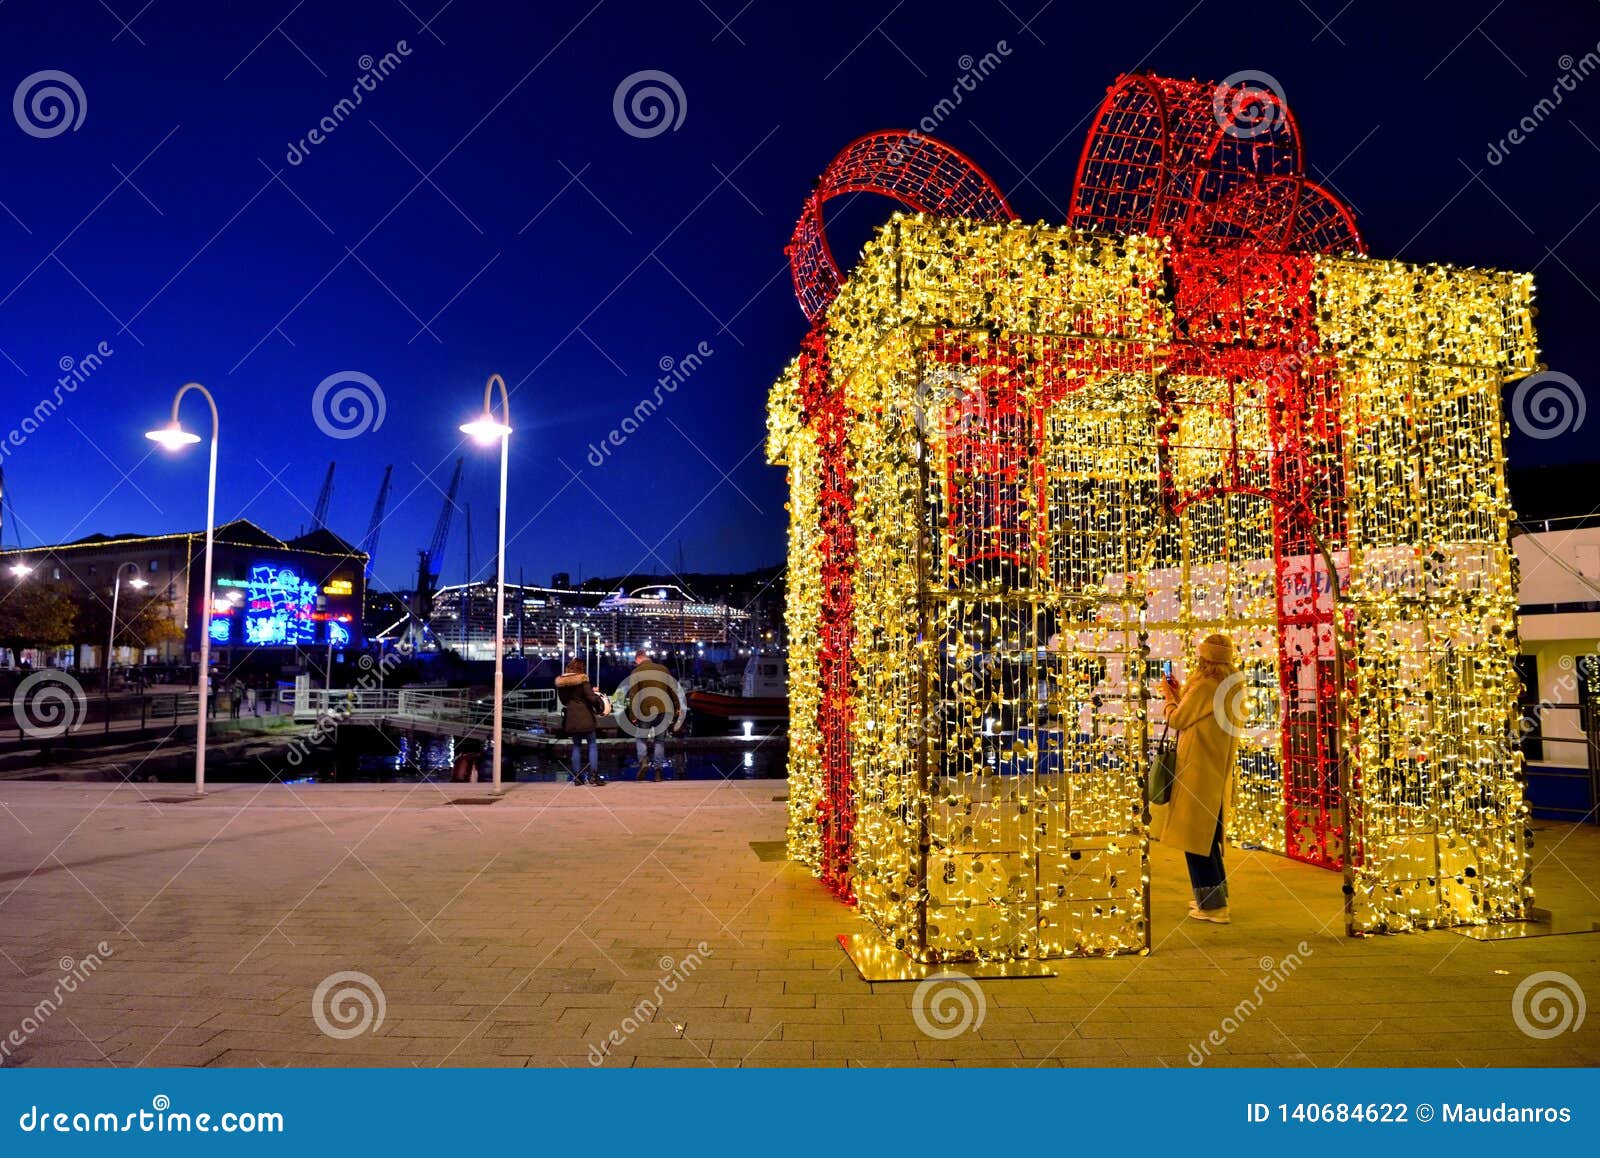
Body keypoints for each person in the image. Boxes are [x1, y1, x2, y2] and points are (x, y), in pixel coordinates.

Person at [1158, 634, 1245, 924]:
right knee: (1207, 838)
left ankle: (1213, 907)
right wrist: (1180, 693)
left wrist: (1168, 699)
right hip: (1214, 772)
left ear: (1205, 660)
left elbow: (1177, 719)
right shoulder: (1231, 687)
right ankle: (1214, 898)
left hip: (1196, 771)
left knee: (1196, 841)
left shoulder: (1206, 686)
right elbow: (1198, 713)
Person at [624, 649, 684, 781]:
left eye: (635, 661)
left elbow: (633, 695)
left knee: (641, 738)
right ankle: (658, 772)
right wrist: (677, 707)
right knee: (659, 741)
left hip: (644, 711)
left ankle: (643, 761)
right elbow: (672, 690)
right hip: (663, 709)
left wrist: (632, 715)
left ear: (638, 659)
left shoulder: (636, 672)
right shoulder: (663, 669)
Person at [555, 658, 606, 785]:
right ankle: (593, 776)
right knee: (592, 745)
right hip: (586, 717)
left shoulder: (562, 683)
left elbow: (564, 701)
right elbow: (591, 698)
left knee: (576, 746)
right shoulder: (583, 680)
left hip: (572, 718)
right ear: (581, 668)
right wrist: (596, 695)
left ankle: (577, 777)